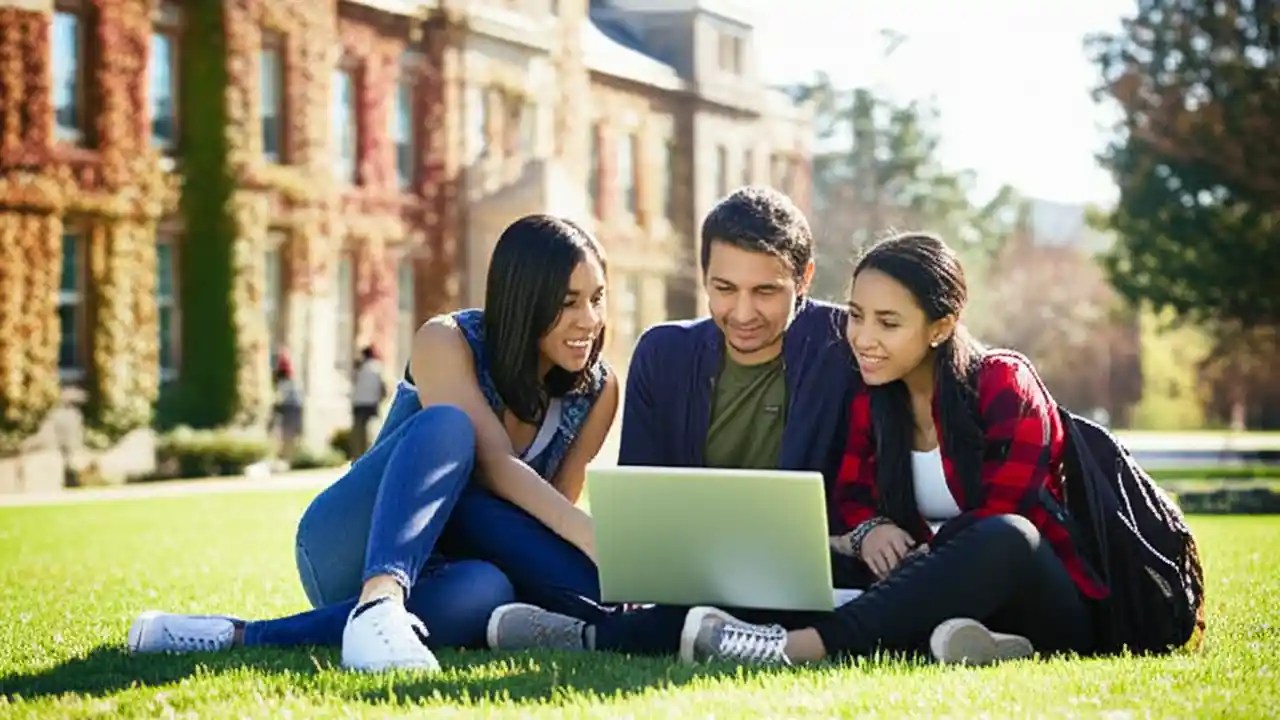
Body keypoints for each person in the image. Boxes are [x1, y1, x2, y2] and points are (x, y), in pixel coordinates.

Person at [486, 231, 1103, 667]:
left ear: (941, 326)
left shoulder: (1001, 383)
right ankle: (597, 637)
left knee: (1005, 537)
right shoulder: (874, 393)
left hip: (1038, 596)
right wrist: (868, 532)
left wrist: (906, 555)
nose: (863, 338)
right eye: (857, 316)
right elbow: (857, 497)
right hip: (931, 595)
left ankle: (794, 648)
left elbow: (999, 513)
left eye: (889, 324)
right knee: (768, 568)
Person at [127, 214, 619, 673]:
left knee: (486, 590)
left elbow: (549, 509)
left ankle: (233, 636)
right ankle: (380, 598)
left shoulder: (596, 392)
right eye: (567, 302)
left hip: (449, 569)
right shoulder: (448, 340)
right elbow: (493, 464)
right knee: (448, 427)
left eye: (596, 298)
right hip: (356, 541)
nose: (589, 320)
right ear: (524, 298)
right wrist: (594, 538)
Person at [486, 185, 865, 655]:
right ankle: (706, 632)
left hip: (816, 576)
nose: (743, 313)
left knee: (858, 604)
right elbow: (641, 507)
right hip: (683, 580)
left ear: (804, 278)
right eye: (724, 289)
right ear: (704, 276)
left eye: (766, 291)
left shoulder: (848, 345)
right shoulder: (664, 353)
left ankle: (590, 635)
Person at [350, 345, 388, 458]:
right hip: (371, 403)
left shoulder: (359, 367)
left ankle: (357, 456)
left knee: (358, 433)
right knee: (372, 431)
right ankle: (369, 454)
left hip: (358, 403)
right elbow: (384, 387)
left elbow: (353, 382)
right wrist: (381, 398)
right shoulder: (378, 367)